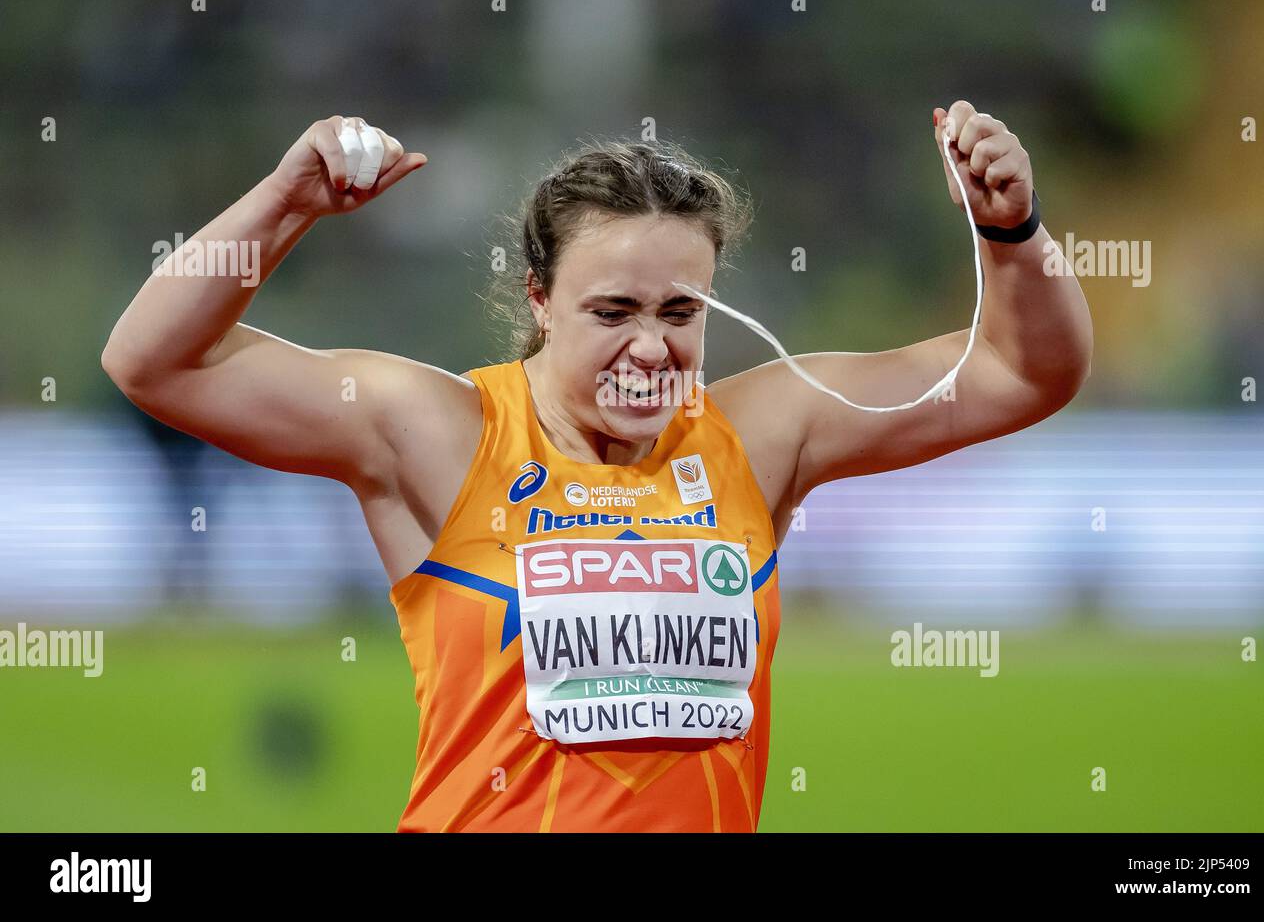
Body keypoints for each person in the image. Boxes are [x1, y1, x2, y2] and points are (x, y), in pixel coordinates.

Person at [101, 105, 1092, 832]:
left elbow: (1021, 370)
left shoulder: (760, 432)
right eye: (612, 312)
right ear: (538, 296)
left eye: (680, 313)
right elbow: (153, 360)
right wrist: (286, 203)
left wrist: (1010, 230)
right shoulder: (441, 432)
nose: (652, 350)